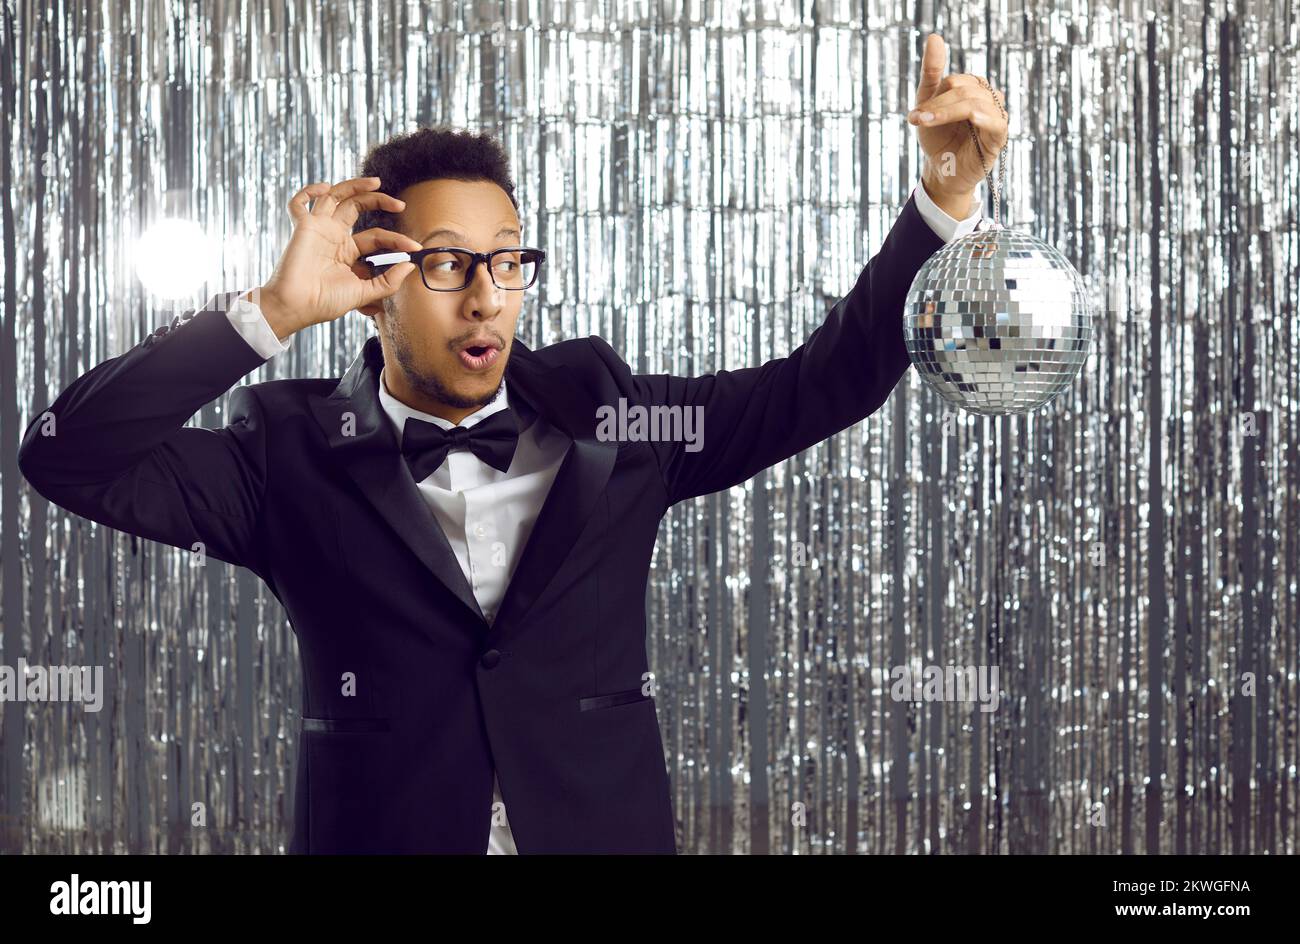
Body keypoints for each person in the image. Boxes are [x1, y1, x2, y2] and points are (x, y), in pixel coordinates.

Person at [18, 36, 1006, 853]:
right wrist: (271, 311)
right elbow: (66, 454)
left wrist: (942, 202)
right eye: (446, 263)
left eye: (506, 260)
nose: (488, 294)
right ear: (378, 277)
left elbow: (825, 382)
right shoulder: (287, 454)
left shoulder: (615, 421)